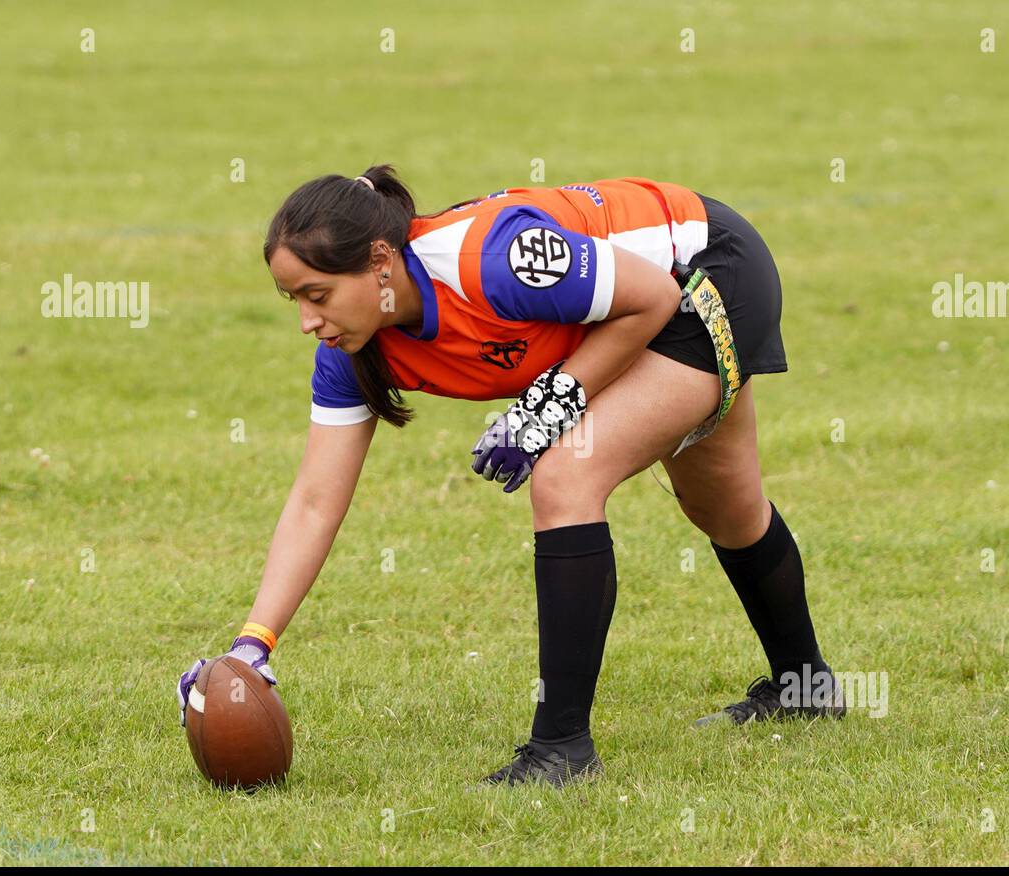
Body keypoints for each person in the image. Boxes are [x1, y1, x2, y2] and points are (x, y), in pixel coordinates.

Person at [177, 165, 844, 789]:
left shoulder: (493, 260)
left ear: (380, 261)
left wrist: (550, 404)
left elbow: (651, 297)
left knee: (565, 475)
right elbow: (316, 502)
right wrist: (251, 648)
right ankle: (804, 687)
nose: (306, 320)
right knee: (724, 506)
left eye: (318, 295)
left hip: (702, 271)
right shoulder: (349, 351)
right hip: (643, 307)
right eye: (292, 299)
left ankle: (562, 750)